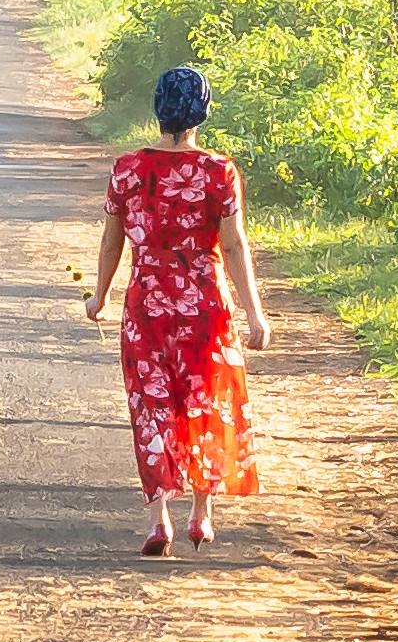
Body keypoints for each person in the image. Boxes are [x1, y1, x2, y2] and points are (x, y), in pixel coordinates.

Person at [82, 60, 271, 554]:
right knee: (203, 404)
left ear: (158, 111)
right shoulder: (217, 172)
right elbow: (233, 246)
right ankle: (201, 514)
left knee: (152, 409)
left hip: (146, 307)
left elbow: (111, 243)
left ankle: (158, 520)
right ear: (202, 113)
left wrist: (99, 296)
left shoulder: (127, 170)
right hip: (206, 309)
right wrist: (254, 312)